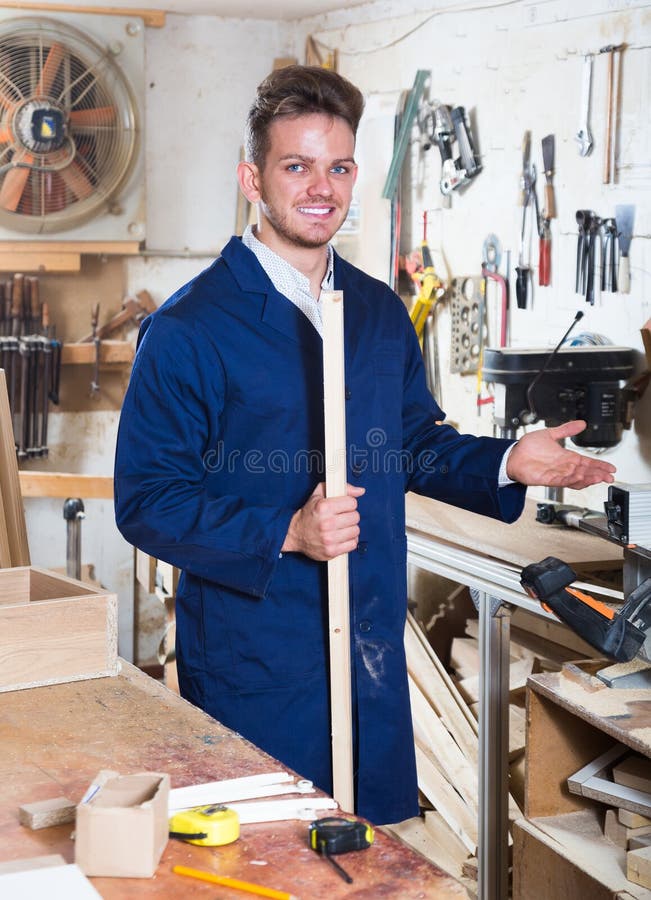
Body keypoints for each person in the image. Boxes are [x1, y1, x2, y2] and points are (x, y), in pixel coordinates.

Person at [114, 65, 615, 825]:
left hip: (369, 647)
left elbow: (409, 442)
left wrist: (506, 460)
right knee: (269, 854)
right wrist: (285, 530)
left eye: (339, 167)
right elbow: (148, 502)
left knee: (368, 854)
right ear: (253, 177)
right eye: (297, 166)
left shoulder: (377, 311)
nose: (322, 188)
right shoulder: (189, 330)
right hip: (257, 654)